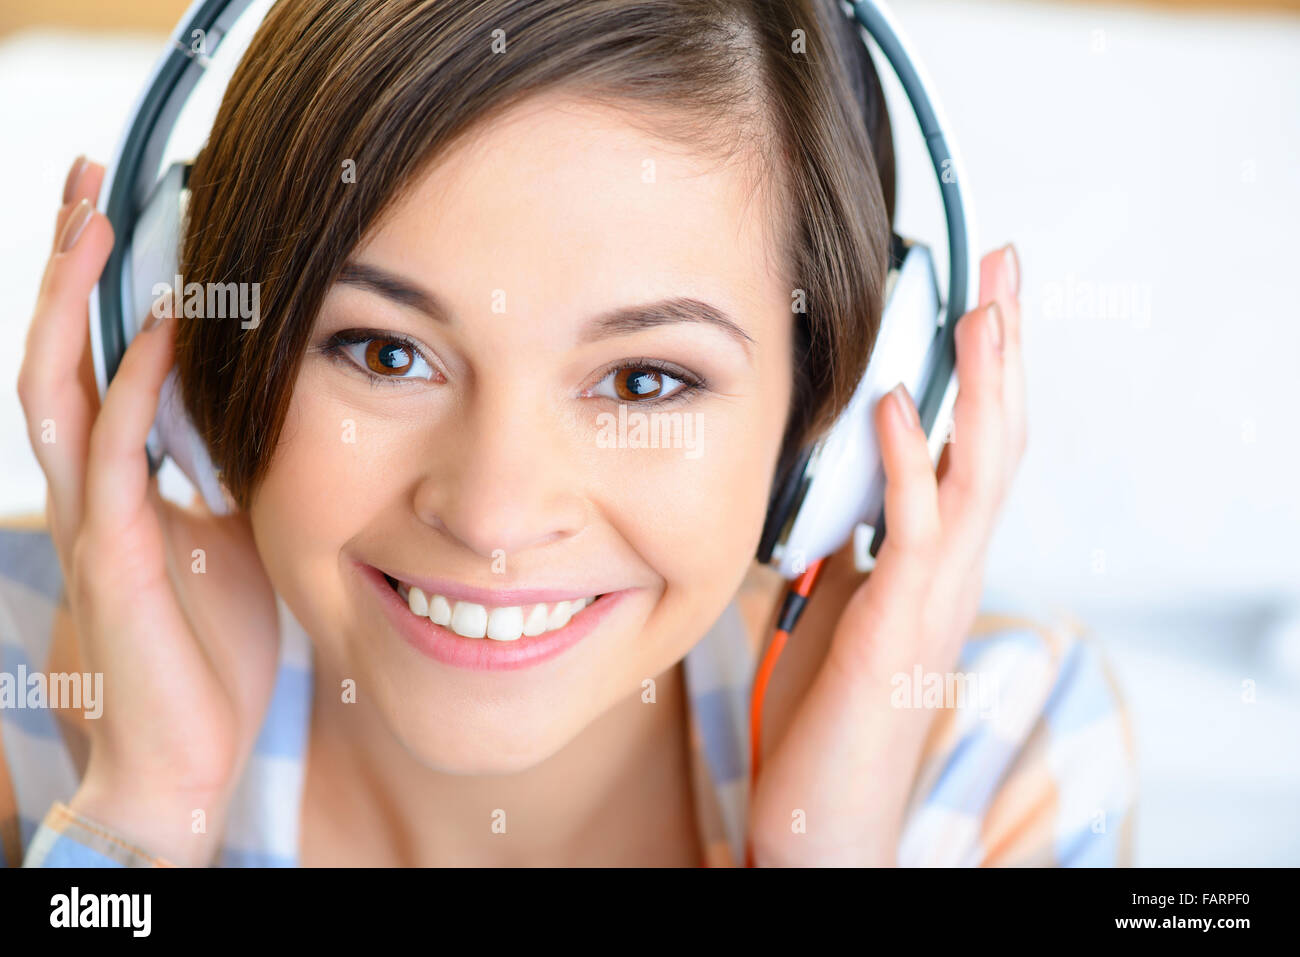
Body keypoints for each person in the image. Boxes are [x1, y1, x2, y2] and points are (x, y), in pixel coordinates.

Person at [3, 0, 1134, 867]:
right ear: (199, 368)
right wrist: (143, 813)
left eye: (643, 381)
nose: (493, 513)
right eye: (387, 353)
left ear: (819, 437)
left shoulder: (998, 745)